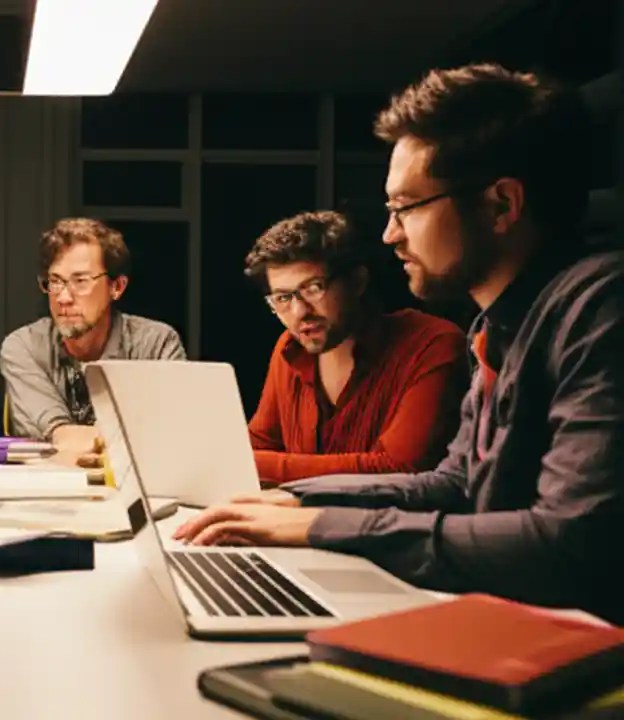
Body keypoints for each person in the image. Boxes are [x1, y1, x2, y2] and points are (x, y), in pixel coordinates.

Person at [174, 64, 624, 623]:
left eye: (405, 208)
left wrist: (322, 527)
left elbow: (567, 545)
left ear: (502, 205)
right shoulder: (495, 324)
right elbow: (452, 483)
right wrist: (299, 501)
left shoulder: (601, 307)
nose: (390, 234)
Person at [244, 210, 467, 485]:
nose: (299, 311)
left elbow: (398, 469)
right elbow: (259, 443)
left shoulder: (433, 344)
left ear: (357, 282)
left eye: (314, 288)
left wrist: (252, 463)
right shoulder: (289, 348)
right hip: (294, 523)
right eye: (283, 298)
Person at [0, 218, 185, 452]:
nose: (63, 297)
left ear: (116, 287)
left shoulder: (156, 344)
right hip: (48, 485)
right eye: (55, 282)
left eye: (80, 281)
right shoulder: (23, 346)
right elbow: (62, 435)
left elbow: (168, 438)